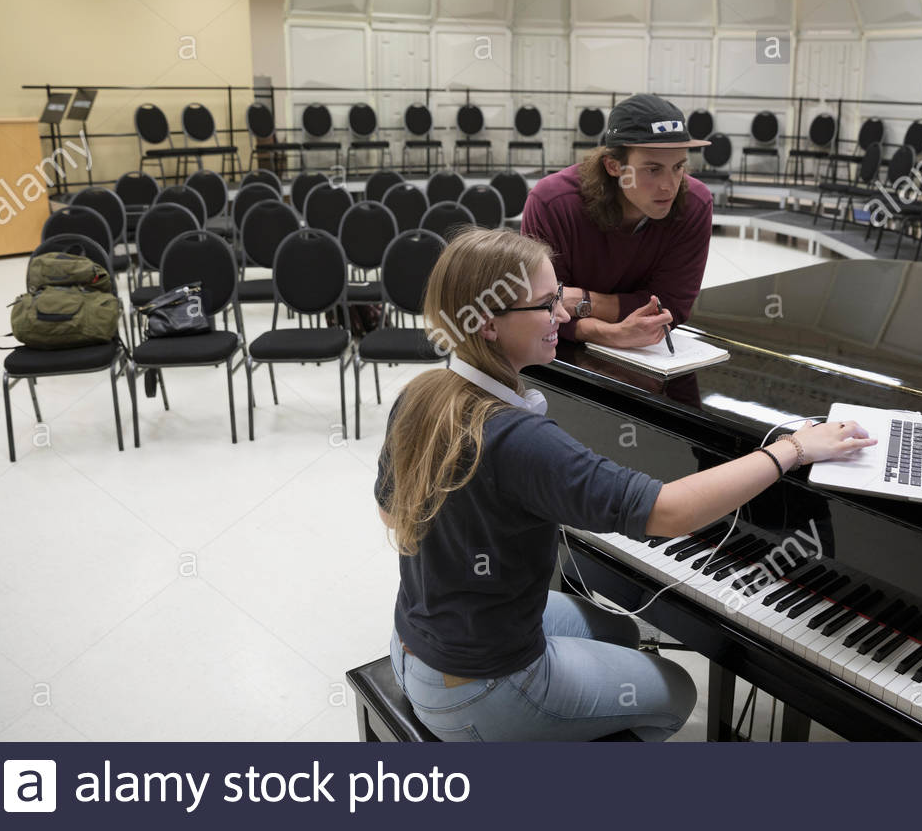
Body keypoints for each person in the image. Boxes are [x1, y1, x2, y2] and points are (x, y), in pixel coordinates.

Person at [375, 226, 877, 741]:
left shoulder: (424, 393)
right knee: (676, 689)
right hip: (477, 689)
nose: (565, 316)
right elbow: (668, 512)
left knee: (621, 630)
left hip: (412, 641)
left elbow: (393, 514)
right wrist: (792, 448)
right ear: (486, 323)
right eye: (547, 305)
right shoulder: (516, 436)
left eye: (560, 297)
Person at [521, 93, 714, 349]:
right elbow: (540, 308)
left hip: (644, 349)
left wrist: (583, 299)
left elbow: (671, 307)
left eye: (678, 167)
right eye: (653, 170)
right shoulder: (553, 203)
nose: (669, 186)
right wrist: (612, 333)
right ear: (613, 166)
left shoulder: (695, 203)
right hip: (553, 351)